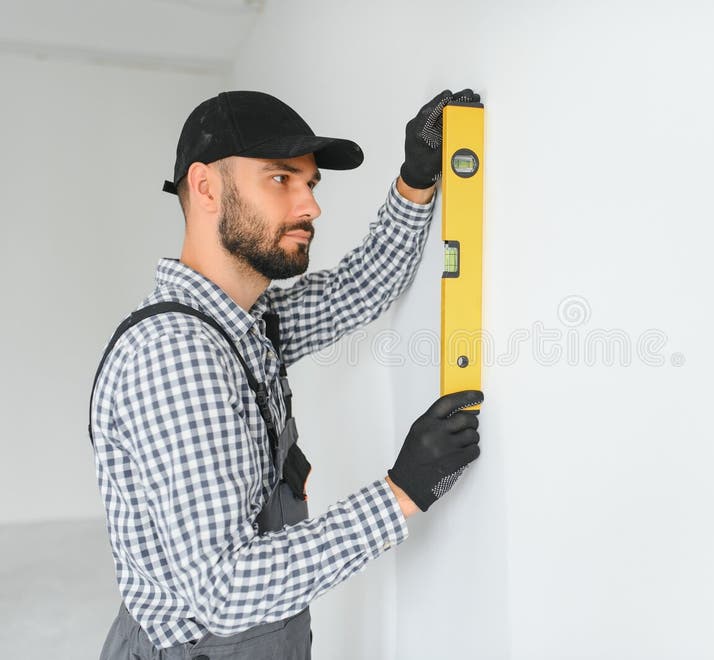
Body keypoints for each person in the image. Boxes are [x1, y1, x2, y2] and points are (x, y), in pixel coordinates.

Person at [88, 89, 484, 659]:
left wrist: (415, 181)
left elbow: (360, 288)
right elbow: (225, 593)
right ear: (205, 188)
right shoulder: (177, 354)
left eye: (311, 183)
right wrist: (401, 491)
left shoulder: (247, 326)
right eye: (280, 179)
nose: (310, 206)